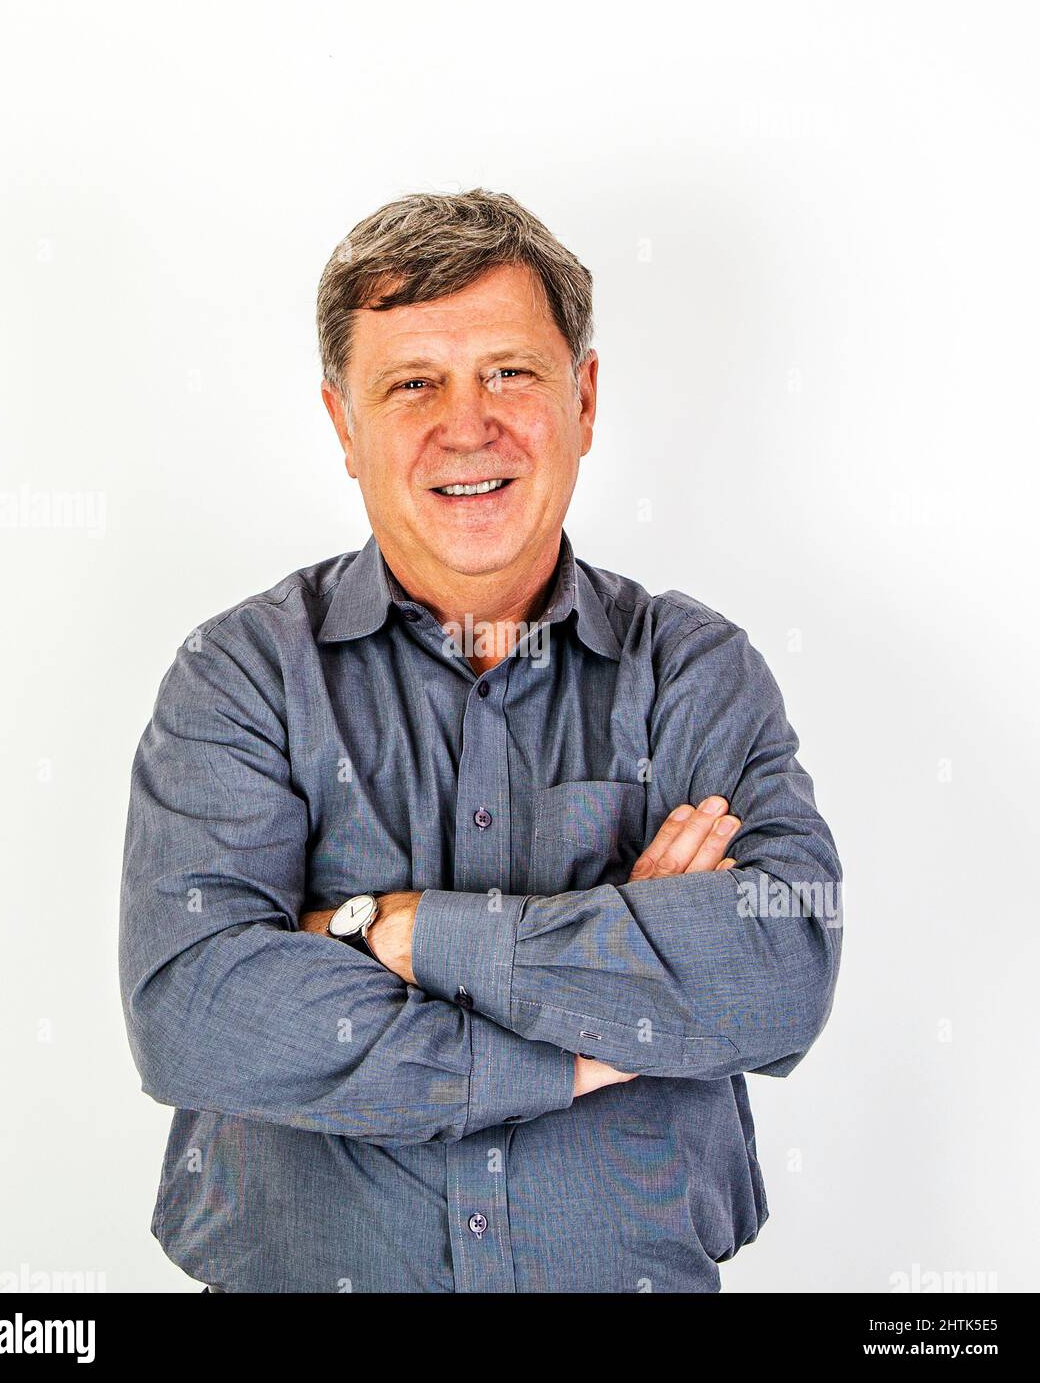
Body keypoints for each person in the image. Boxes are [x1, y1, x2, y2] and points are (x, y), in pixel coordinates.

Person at [119, 187, 842, 1293]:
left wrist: (404, 937)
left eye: (510, 371)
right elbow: (198, 1011)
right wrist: (598, 1026)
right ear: (343, 428)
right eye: (414, 384)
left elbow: (777, 971)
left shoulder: (694, 670)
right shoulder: (242, 677)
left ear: (584, 399)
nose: (469, 426)